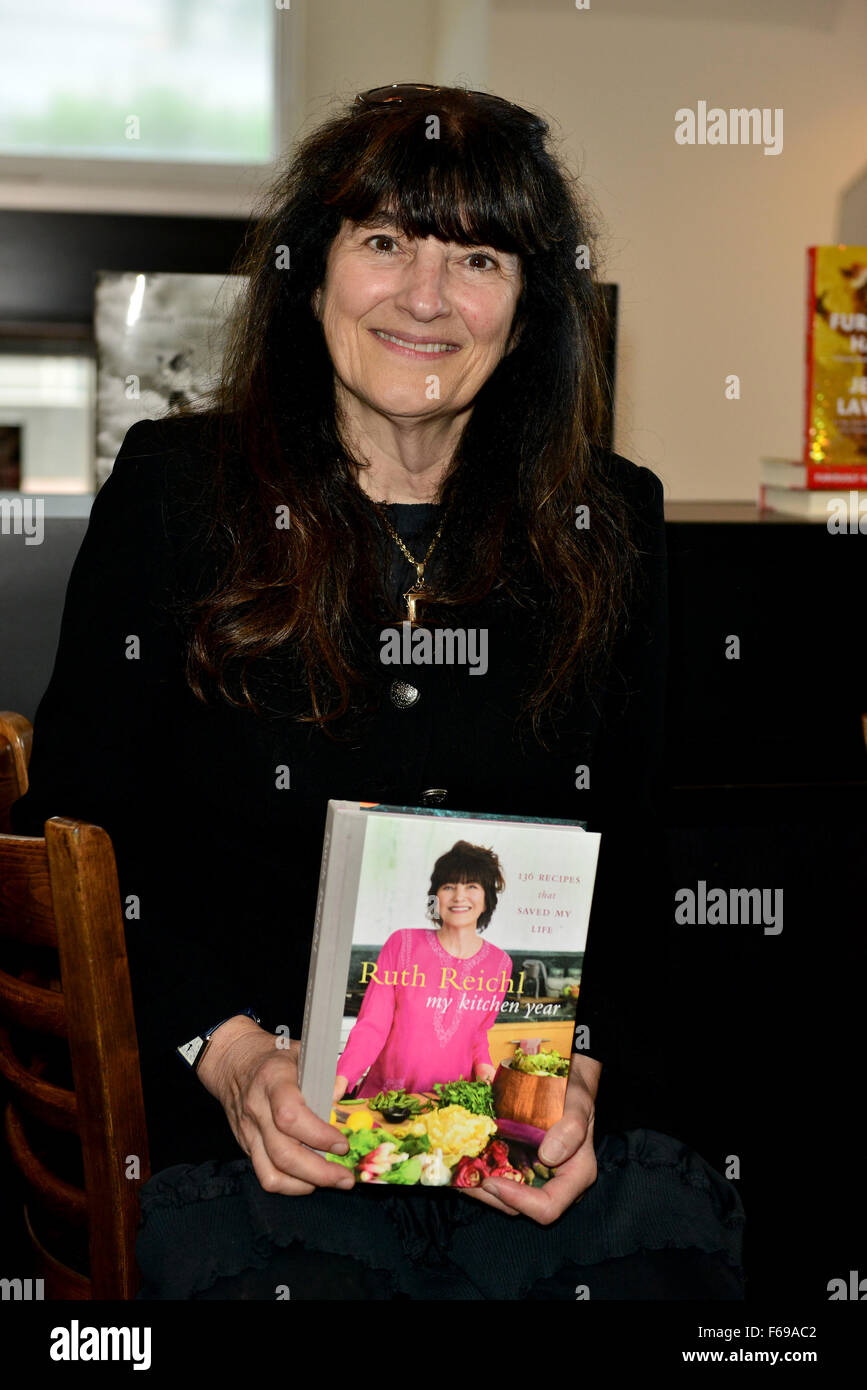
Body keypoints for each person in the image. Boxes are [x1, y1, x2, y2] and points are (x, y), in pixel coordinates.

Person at [11, 83, 744, 1299]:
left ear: (529, 304)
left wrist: (587, 1075)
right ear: (310, 274)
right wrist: (230, 1052)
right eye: (386, 241)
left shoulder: (613, 520)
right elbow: (76, 832)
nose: (425, 296)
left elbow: (642, 858)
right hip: (254, 1144)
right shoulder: (176, 493)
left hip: (515, 1138)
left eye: (477, 254)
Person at [334, 840, 512, 1100]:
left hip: (449, 1106)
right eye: (448, 886)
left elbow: (477, 1035)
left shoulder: (500, 964)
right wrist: (339, 1083)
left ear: (487, 900)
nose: (459, 896)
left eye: (471, 886)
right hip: (386, 1101)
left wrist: (486, 1074)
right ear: (435, 897)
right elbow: (373, 1025)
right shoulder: (402, 944)